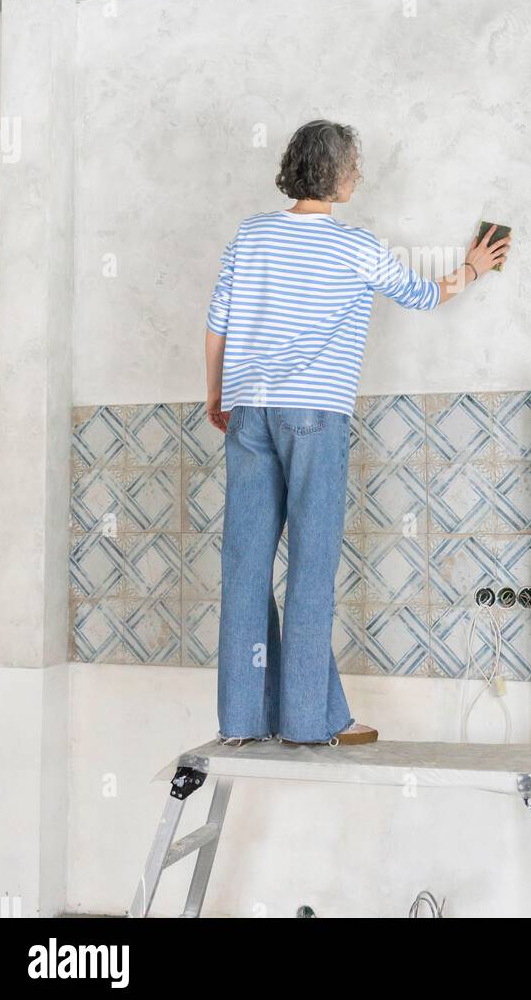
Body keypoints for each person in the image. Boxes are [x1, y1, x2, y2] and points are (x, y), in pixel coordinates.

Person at [205, 119, 511, 748]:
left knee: (246, 565)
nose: (359, 176)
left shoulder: (252, 233)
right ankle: (308, 721)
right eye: (356, 167)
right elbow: (426, 297)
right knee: (311, 570)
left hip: (249, 411)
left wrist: (217, 393)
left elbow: (218, 323)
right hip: (315, 417)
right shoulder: (357, 246)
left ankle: (244, 718)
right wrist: (473, 269)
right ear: (339, 177)